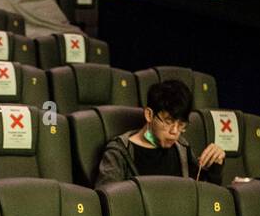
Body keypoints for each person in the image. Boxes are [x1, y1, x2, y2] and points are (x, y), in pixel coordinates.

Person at [94, 79, 225, 186]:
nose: (175, 132)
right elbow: (108, 201)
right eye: (168, 122)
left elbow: (203, 196)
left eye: (181, 125)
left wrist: (215, 165)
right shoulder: (119, 152)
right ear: (149, 115)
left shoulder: (181, 148)